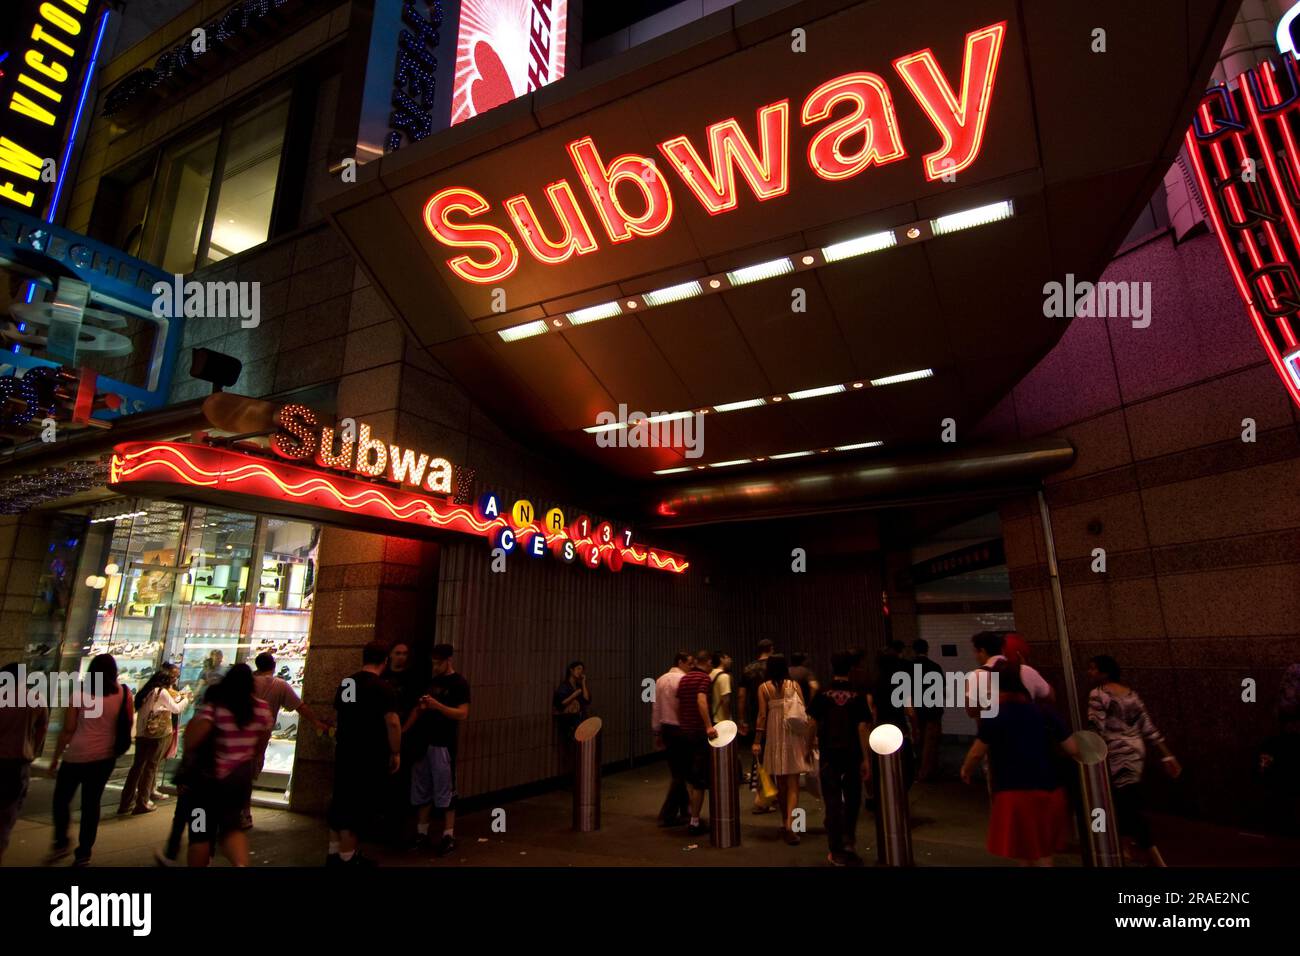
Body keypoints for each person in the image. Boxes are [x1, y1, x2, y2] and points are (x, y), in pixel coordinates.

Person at [960, 662, 1077, 866]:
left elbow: (977, 752)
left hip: (1013, 791)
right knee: (1044, 849)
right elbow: (1072, 749)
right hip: (1049, 788)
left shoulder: (995, 714)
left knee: (1024, 849)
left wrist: (966, 770)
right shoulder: (1045, 712)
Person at [1087, 655, 1181, 866]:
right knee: (1125, 799)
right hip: (1137, 752)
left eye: (1093, 669)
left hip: (1116, 753)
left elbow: (1095, 727)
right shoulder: (1131, 694)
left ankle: (1152, 853)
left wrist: (1088, 752)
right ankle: (1126, 847)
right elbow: (1148, 727)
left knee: (1125, 803)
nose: (1089, 673)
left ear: (1105, 672)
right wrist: (1167, 754)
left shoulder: (1098, 694)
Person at [183, 663, 272, 867]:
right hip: (239, 779)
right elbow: (261, 741)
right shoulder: (261, 709)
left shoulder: (217, 707)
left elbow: (193, 739)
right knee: (232, 828)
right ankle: (241, 865)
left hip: (208, 782)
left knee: (200, 835)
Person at [49, 654, 132, 865]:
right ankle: (84, 852)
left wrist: (55, 757)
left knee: (61, 800)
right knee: (91, 804)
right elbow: (127, 723)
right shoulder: (123, 693)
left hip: (76, 755)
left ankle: (61, 842)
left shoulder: (79, 694)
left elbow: (68, 730)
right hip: (104, 757)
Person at [328, 641, 401, 867]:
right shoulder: (383, 688)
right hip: (369, 754)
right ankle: (347, 858)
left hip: (346, 751)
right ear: (385, 661)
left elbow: (345, 712)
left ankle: (333, 853)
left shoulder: (348, 682)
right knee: (357, 807)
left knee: (341, 801)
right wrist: (395, 751)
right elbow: (392, 723)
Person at [244, 653, 327, 827]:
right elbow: (300, 706)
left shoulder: (246, 682)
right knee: (247, 774)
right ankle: (244, 812)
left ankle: (234, 811)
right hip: (260, 736)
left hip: (238, 733)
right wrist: (316, 722)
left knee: (238, 771)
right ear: (274, 666)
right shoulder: (279, 685)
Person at [406, 643, 470, 858]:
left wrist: (438, 707)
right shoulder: (431, 681)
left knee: (446, 789)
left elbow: (462, 713)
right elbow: (418, 708)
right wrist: (406, 729)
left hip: (443, 742)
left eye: (438, 662)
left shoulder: (459, 683)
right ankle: (422, 832)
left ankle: (448, 834)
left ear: (448, 660)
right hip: (423, 742)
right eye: (433, 662)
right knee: (422, 788)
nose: (435, 666)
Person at [808, 652, 871, 865]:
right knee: (853, 800)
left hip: (829, 754)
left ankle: (835, 850)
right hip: (852, 754)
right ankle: (849, 842)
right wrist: (866, 757)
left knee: (832, 801)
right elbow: (863, 727)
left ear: (832, 666)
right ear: (850, 668)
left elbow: (812, 722)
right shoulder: (858, 695)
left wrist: (808, 747)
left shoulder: (823, 694)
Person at [753, 654, 812, 845]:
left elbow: (762, 716)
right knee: (794, 782)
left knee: (781, 783)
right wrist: (810, 739)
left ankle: (784, 822)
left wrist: (756, 741)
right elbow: (804, 711)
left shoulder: (763, 688)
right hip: (792, 734)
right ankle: (791, 825)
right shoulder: (794, 685)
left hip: (774, 734)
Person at [118, 667, 188, 815]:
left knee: (137, 767)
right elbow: (176, 709)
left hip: (142, 733)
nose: (173, 682)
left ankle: (126, 802)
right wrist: (186, 699)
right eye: (172, 679)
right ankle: (142, 802)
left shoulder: (146, 692)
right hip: (156, 734)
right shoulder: (161, 692)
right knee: (150, 766)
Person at [0, 661, 48, 866]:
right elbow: (42, 728)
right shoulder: (35, 698)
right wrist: (33, 749)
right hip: (18, 763)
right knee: (7, 814)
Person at [676, 650, 718, 836]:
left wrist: (682, 723)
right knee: (700, 778)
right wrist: (708, 726)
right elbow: (701, 700)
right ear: (707, 662)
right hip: (699, 733)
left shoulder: (684, 678)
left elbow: (677, 705)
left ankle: (692, 815)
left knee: (690, 778)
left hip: (684, 733)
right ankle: (694, 821)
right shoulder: (704, 679)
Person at [651, 651, 692, 827]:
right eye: (689, 663)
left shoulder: (660, 680)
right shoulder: (683, 680)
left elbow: (656, 708)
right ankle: (667, 814)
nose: (691, 667)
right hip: (680, 728)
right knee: (680, 773)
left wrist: (657, 731)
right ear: (680, 662)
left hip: (666, 728)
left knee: (677, 771)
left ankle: (684, 811)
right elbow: (684, 707)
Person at [737, 640, 774, 813]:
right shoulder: (775, 667)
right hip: (774, 716)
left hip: (755, 717)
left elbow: (741, 696)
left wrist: (742, 719)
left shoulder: (748, 669)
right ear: (771, 649)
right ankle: (767, 797)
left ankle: (765, 794)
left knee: (759, 757)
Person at [910, 639, 946, 781]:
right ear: (927, 649)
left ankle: (920, 770)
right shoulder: (934, 667)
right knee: (931, 742)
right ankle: (928, 771)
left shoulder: (909, 667)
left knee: (918, 740)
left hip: (916, 709)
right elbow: (941, 687)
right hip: (933, 709)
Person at [553, 660, 591, 739]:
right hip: (568, 722)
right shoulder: (564, 686)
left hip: (580, 720)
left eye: (582, 669)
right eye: (578, 669)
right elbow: (561, 703)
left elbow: (586, 700)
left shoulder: (579, 686)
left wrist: (583, 683)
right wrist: (574, 695)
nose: (580, 671)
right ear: (571, 670)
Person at [710, 652, 733, 724]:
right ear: (721, 659)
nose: (730, 660)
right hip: (721, 720)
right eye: (727, 658)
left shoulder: (710, 674)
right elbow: (725, 701)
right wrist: (728, 720)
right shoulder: (724, 676)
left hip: (712, 718)